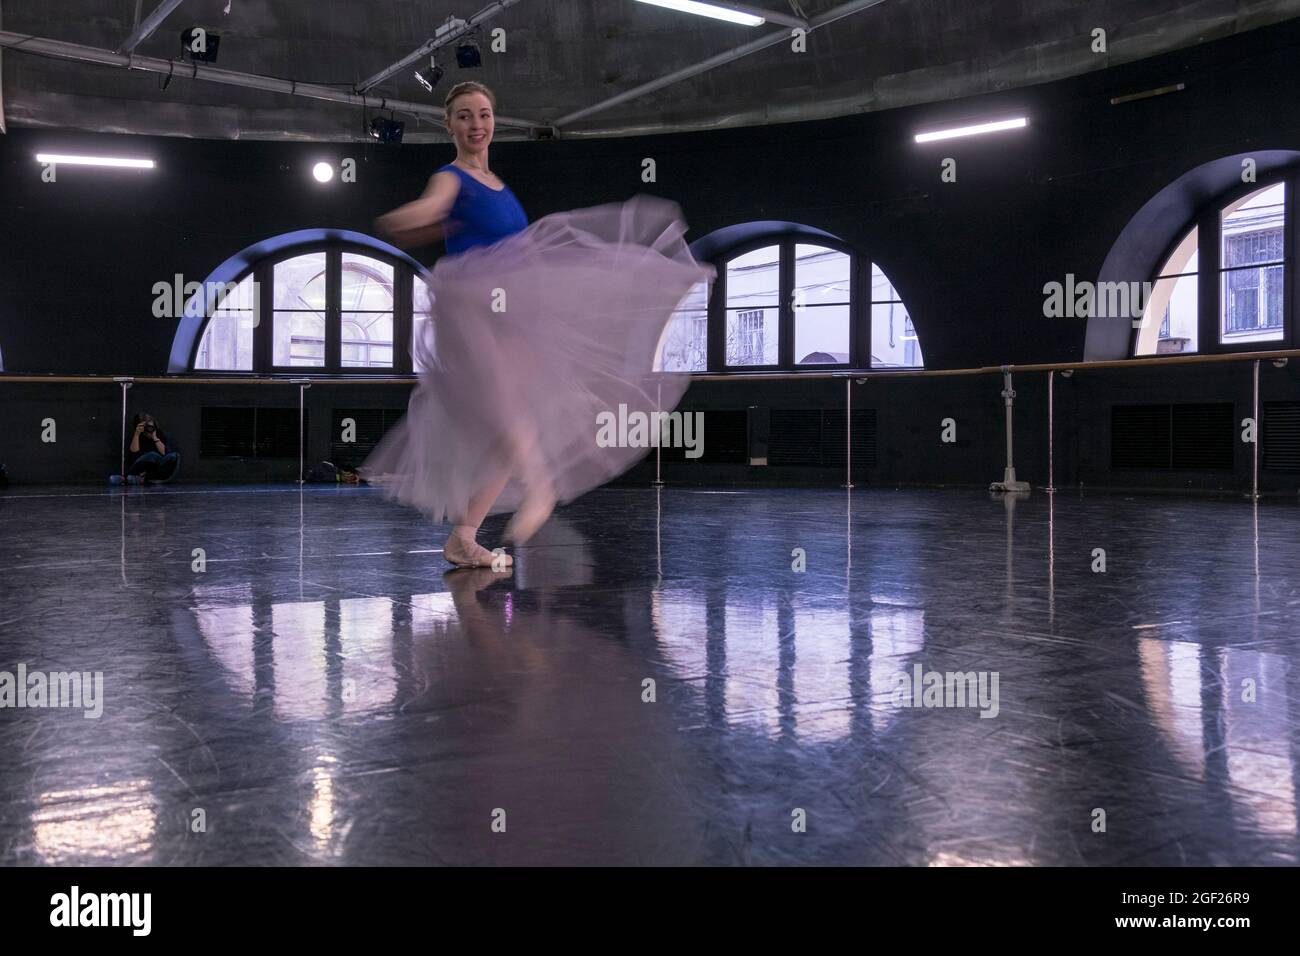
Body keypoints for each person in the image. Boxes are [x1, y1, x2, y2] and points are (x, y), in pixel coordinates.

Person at [360, 80, 713, 569]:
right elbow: (434, 206)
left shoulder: (502, 188)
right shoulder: (451, 176)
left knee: (509, 425)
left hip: (510, 313)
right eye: (464, 116)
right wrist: (409, 218)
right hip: (473, 308)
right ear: (449, 125)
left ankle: (463, 537)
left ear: (494, 120)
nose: (476, 124)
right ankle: (541, 486)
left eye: (483, 114)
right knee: (508, 413)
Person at [111, 412, 181, 484]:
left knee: (174, 456)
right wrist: (137, 434)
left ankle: (136, 479)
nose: (148, 429)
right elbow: (134, 454)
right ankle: (132, 478)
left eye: (150, 426)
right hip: (141, 466)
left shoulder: (159, 434)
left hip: (157, 468)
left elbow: (165, 453)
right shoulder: (136, 436)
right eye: (145, 426)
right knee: (152, 455)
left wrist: (155, 438)